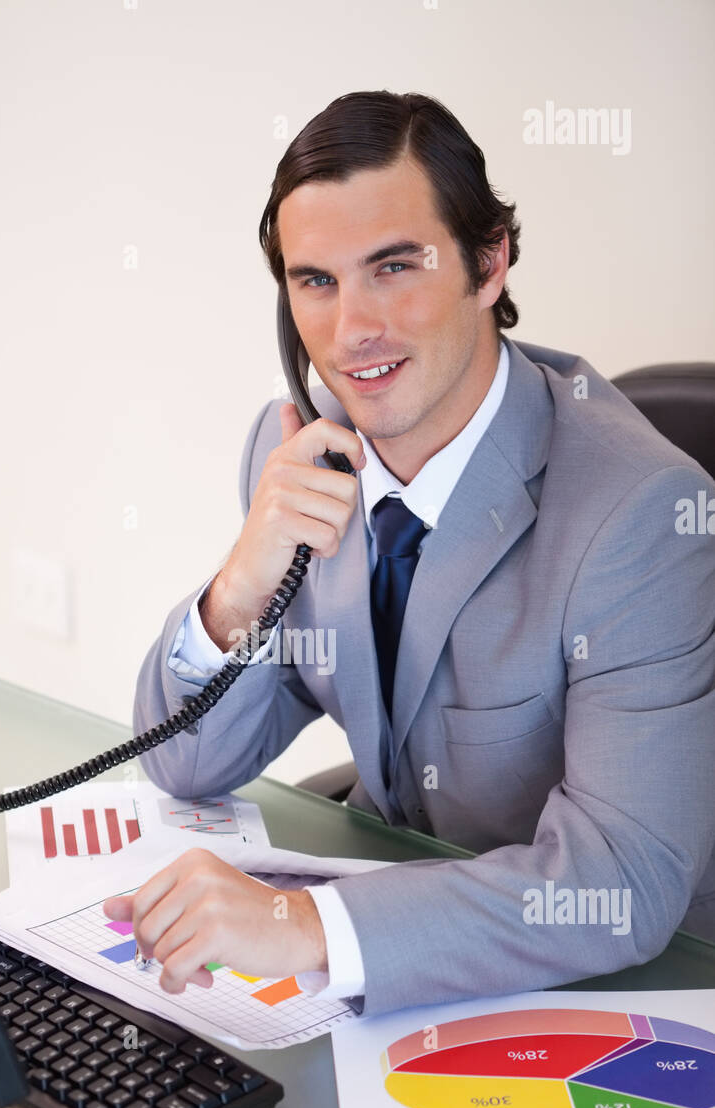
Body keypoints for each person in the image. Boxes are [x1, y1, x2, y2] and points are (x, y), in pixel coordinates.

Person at [104, 90, 715, 1016]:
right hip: (402, 950)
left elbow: (619, 882)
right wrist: (240, 583)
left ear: (490, 261)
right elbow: (187, 764)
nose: (352, 332)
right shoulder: (303, 460)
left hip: (626, 982)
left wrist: (301, 928)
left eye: (393, 267)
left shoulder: (641, 518)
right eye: (316, 281)